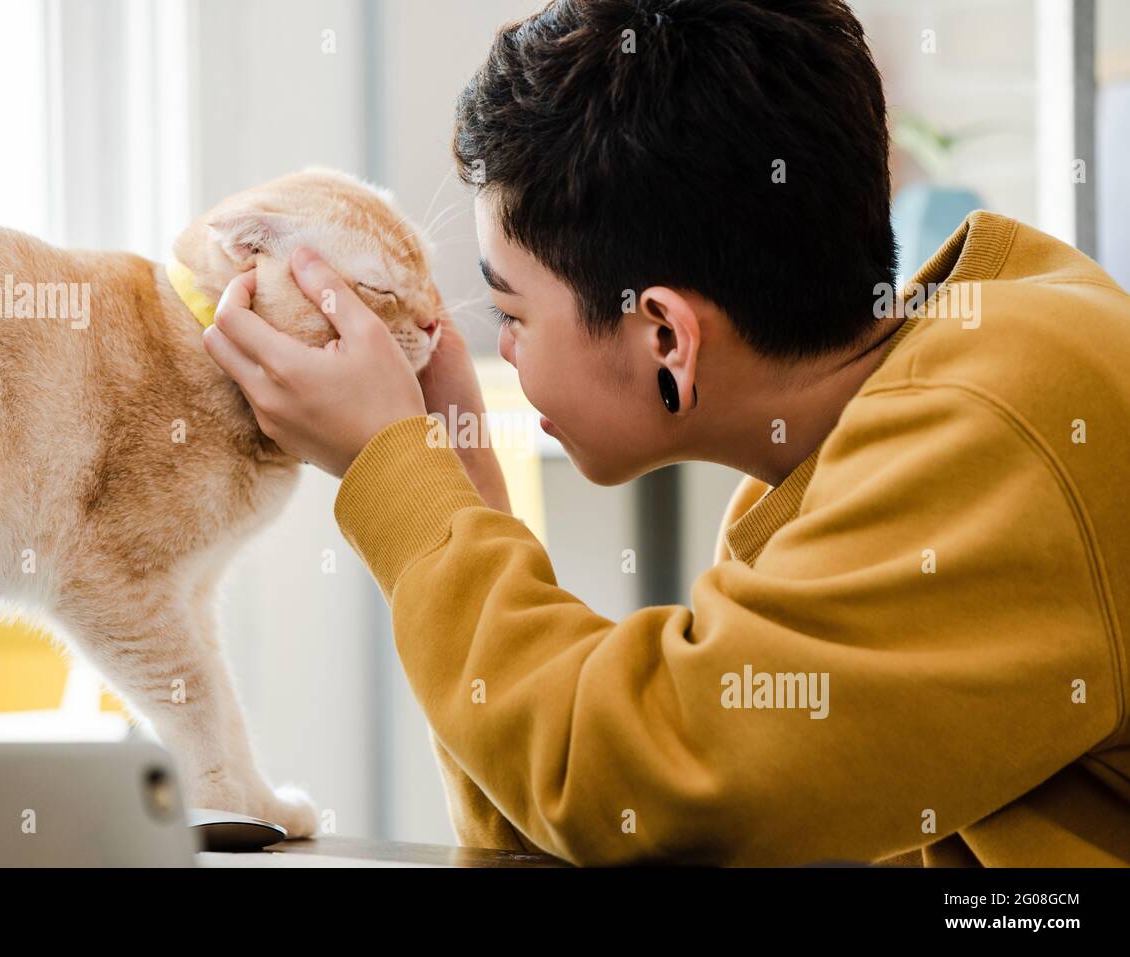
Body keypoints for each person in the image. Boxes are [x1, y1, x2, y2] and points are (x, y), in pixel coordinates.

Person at [202, 0, 1130, 865]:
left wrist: (400, 486)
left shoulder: (1000, 428)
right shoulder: (823, 470)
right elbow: (587, 833)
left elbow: (646, 781)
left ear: (664, 337)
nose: (501, 349)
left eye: (510, 311)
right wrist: (465, 489)